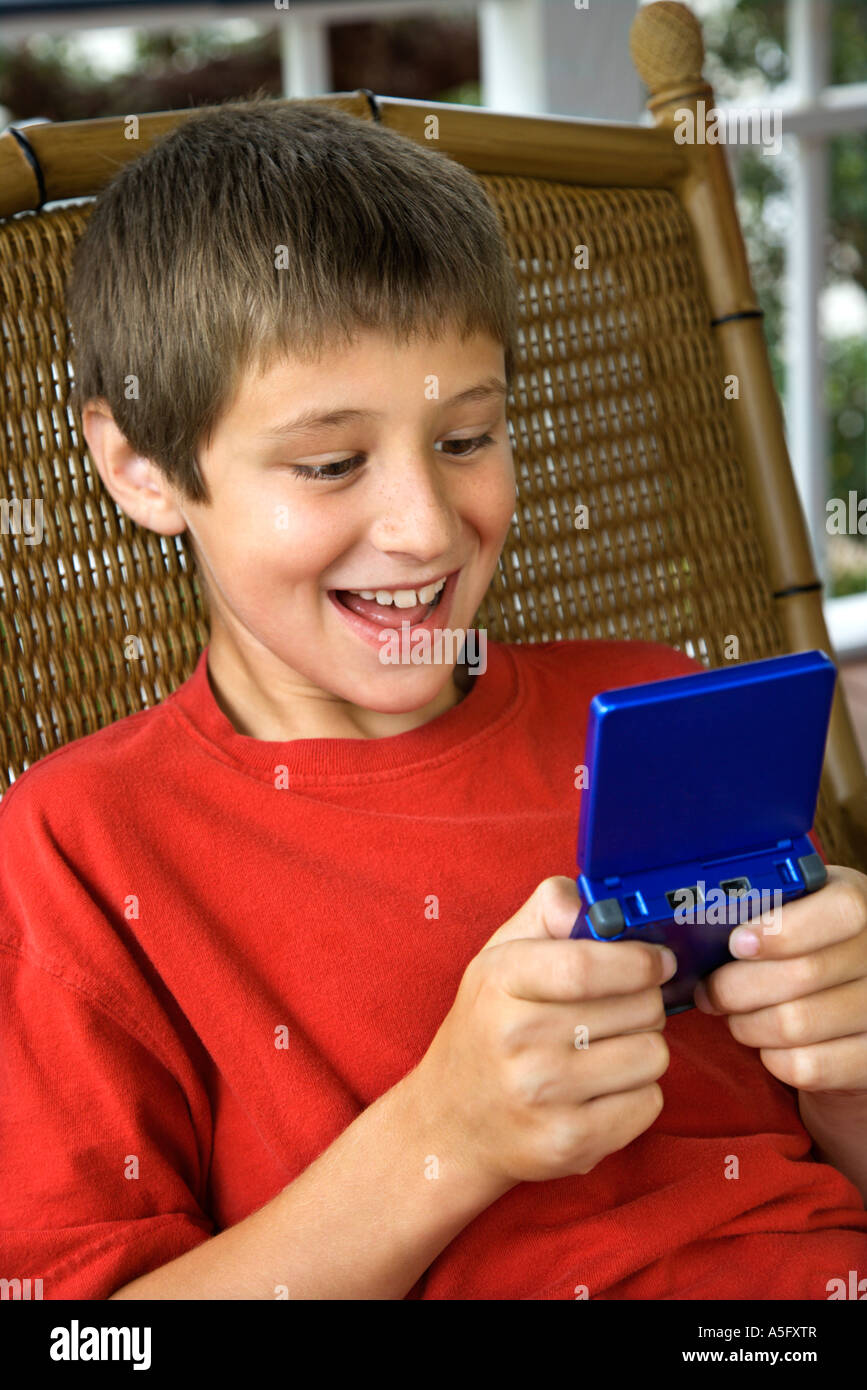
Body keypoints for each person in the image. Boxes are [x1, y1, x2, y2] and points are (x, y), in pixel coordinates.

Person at [1, 94, 866, 1302]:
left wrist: (847, 1067)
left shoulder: (656, 708)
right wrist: (445, 1137)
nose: (424, 527)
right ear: (142, 467)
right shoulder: (84, 847)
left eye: (467, 438)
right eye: (330, 464)